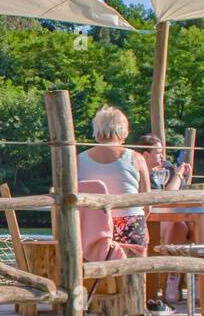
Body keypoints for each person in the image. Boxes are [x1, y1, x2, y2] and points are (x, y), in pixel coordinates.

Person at [77, 106, 151, 249]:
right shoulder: (137, 158)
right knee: (134, 268)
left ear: (97, 130)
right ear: (123, 130)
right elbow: (148, 204)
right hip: (130, 222)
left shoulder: (78, 160)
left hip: (93, 228)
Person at [138, 133, 192, 303]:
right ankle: (173, 277)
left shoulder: (163, 170)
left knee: (195, 225)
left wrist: (183, 177)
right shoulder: (139, 172)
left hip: (166, 216)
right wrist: (178, 175)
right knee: (178, 226)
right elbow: (169, 195)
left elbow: (177, 195)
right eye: (158, 152)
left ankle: (198, 277)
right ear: (146, 154)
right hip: (149, 220)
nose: (162, 156)